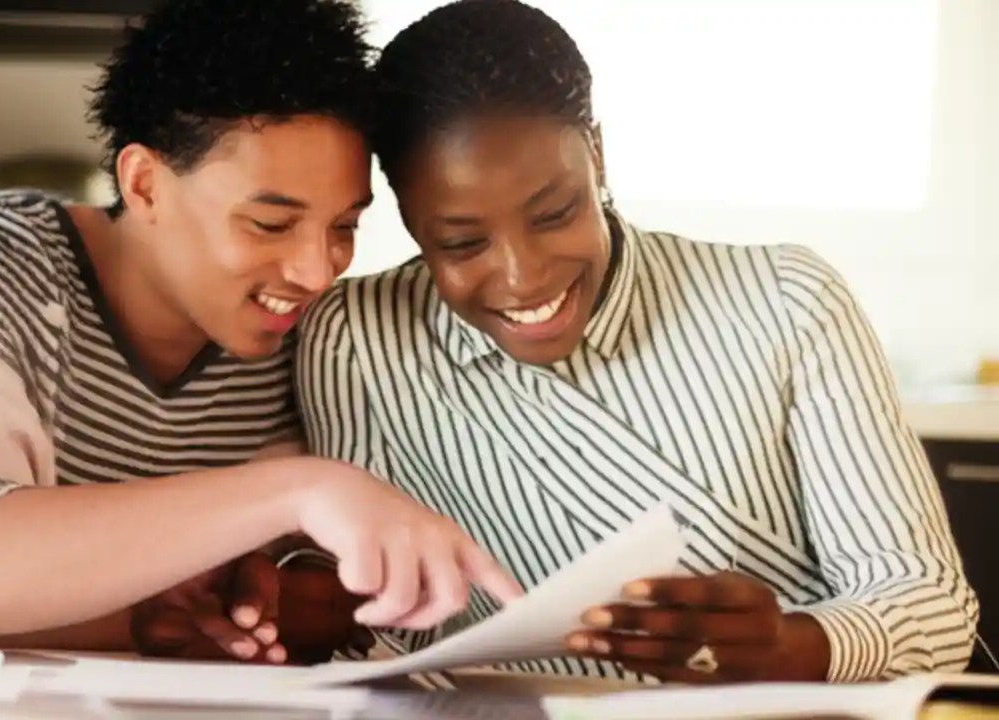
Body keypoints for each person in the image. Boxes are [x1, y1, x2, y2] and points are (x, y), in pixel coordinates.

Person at [0, 0, 521, 662]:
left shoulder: (296, 339)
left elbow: (288, 607)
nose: (318, 270)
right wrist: (303, 491)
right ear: (144, 183)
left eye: (344, 225)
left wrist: (148, 619)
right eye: (270, 223)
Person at [295, 0, 978, 683]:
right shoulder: (358, 342)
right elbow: (376, 631)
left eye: (555, 212)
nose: (523, 276)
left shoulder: (788, 301)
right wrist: (309, 599)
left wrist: (792, 647)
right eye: (462, 242)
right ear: (408, 217)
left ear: (595, 152)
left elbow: (932, 607)